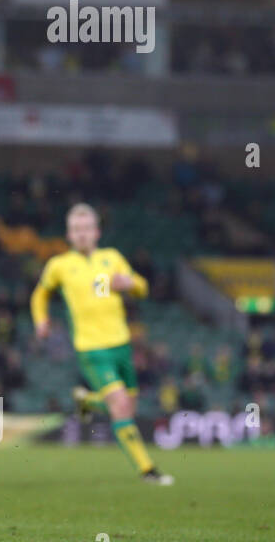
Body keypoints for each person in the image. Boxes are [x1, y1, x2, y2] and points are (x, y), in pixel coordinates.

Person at [31, 203, 173, 484]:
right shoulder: (60, 265)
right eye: (75, 230)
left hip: (121, 344)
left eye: (86, 229)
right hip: (91, 348)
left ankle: (87, 401)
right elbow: (40, 294)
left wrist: (129, 283)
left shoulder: (112, 258)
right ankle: (148, 470)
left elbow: (143, 288)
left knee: (127, 408)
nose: (81, 234)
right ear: (69, 235)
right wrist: (40, 320)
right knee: (121, 405)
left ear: (96, 232)